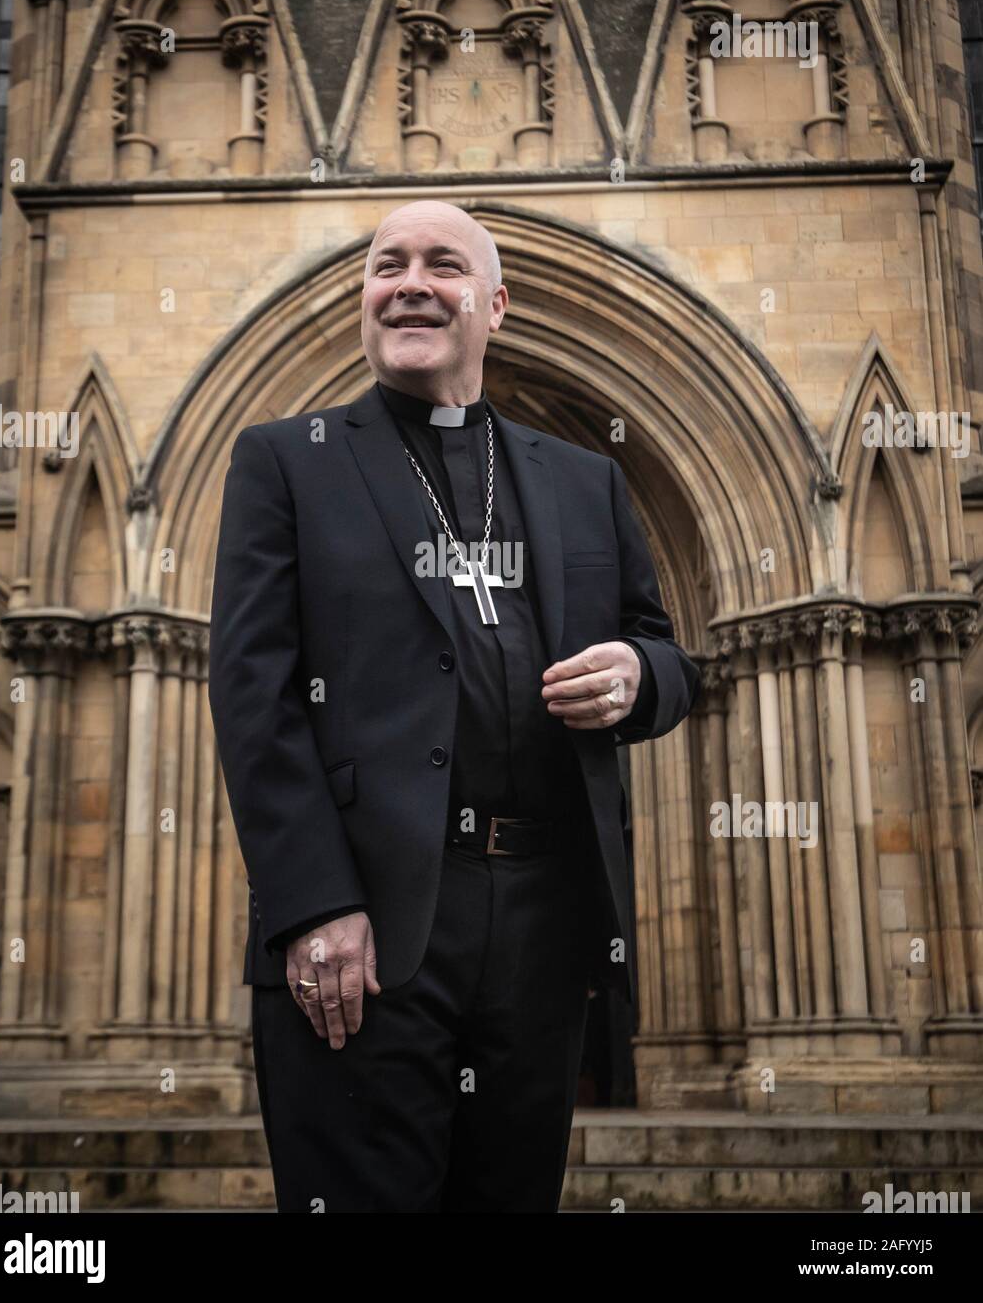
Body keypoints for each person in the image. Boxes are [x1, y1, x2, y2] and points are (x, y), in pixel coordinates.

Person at [208, 199, 700, 1212]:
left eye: (443, 264)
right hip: (368, 923)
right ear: (365, 300)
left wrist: (641, 679)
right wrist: (313, 905)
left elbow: (668, 653)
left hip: (540, 918)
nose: (412, 282)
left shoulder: (583, 479)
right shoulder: (286, 460)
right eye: (388, 265)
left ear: (498, 305)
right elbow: (252, 691)